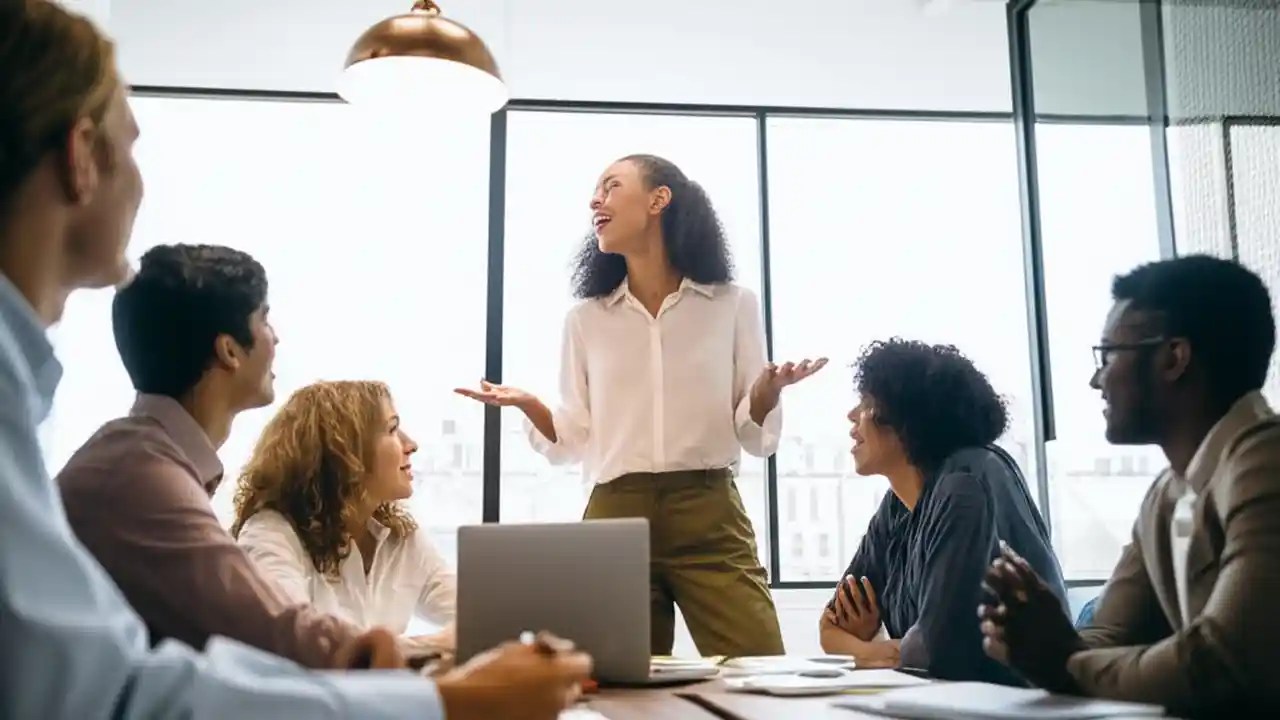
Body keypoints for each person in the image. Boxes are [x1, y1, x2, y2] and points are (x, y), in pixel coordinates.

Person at [0, 2, 588, 718]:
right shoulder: (137, 474)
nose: (276, 340)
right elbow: (236, 652)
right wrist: (451, 701)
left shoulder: (130, 455)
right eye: (132, 147)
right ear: (80, 156)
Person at [457, 154, 825, 657]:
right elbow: (572, 440)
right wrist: (529, 405)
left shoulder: (732, 304)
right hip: (615, 513)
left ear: (659, 200)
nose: (595, 200)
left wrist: (764, 395)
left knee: (759, 668)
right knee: (615, 685)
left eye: (610, 187)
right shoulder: (586, 319)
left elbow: (752, 434)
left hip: (709, 512)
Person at [980, 255, 1280, 716]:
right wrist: (1029, 641)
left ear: (1174, 358)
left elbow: (1224, 661)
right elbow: (1101, 642)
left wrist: (1061, 660)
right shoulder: (1166, 495)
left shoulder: (1267, 461)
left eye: (1109, 355)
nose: (1096, 379)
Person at [58, 242, 375, 669]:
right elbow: (273, 631)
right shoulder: (140, 475)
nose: (276, 336)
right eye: (264, 318)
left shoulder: (141, 456)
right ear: (229, 350)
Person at [821, 339, 1065, 684]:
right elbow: (830, 628)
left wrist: (869, 648)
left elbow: (938, 650)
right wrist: (890, 649)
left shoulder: (965, 483)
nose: (851, 416)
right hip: (948, 699)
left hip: (1006, 703)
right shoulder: (896, 507)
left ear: (907, 416)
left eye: (866, 403)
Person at [232, 381, 456, 651]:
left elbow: (475, 613)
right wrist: (430, 645)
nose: (411, 445)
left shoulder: (401, 538)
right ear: (347, 453)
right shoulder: (270, 534)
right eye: (392, 429)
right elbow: (294, 642)